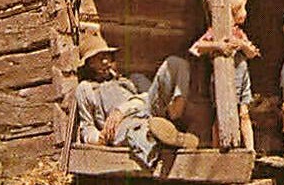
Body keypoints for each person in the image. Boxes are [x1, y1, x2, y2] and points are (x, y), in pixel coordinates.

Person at [74, 31, 198, 168]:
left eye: (107, 56)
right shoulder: (86, 88)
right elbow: (87, 126)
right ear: (88, 64)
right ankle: (169, 138)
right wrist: (99, 138)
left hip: (150, 113)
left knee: (175, 63)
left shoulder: (132, 79)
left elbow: (149, 97)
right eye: (98, 59)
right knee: (136, 132)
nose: (105, 62)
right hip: (123, 126)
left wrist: (121, 110)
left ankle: (174, 115)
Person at [189, 0, 258, 151]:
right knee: (220, 115)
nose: (245, 13)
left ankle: (250, 150)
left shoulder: (239, 33)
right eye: (242, 8)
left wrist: (243, 45)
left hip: (242, 77)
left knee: (244, 113)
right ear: (232, 12)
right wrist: (218, 45)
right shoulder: (216, 32)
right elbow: (195, 48)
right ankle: (217, 149)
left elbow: (251, 54)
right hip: (225, 79)